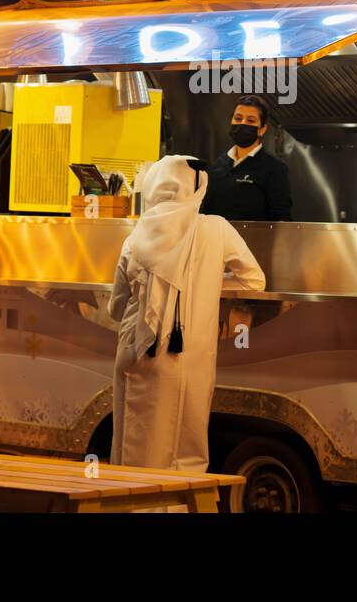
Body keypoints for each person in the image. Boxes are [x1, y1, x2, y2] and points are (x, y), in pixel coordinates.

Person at [110, 155, 264, 474]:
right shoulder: (217, 228)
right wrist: (206, 278)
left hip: (141, 353)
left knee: (138, 452)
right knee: (188, 449)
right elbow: (254, 280)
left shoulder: (136, 238)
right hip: (194, 357)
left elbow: (115, 308)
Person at [199, 96, 292, 221]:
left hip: (255, 240)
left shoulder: (275, 169)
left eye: (251, 120)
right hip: (217, 239)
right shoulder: (218, 165)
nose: (243, 123)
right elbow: (205, 211)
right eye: (238, 118)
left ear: (262, 129)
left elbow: (281, 220)